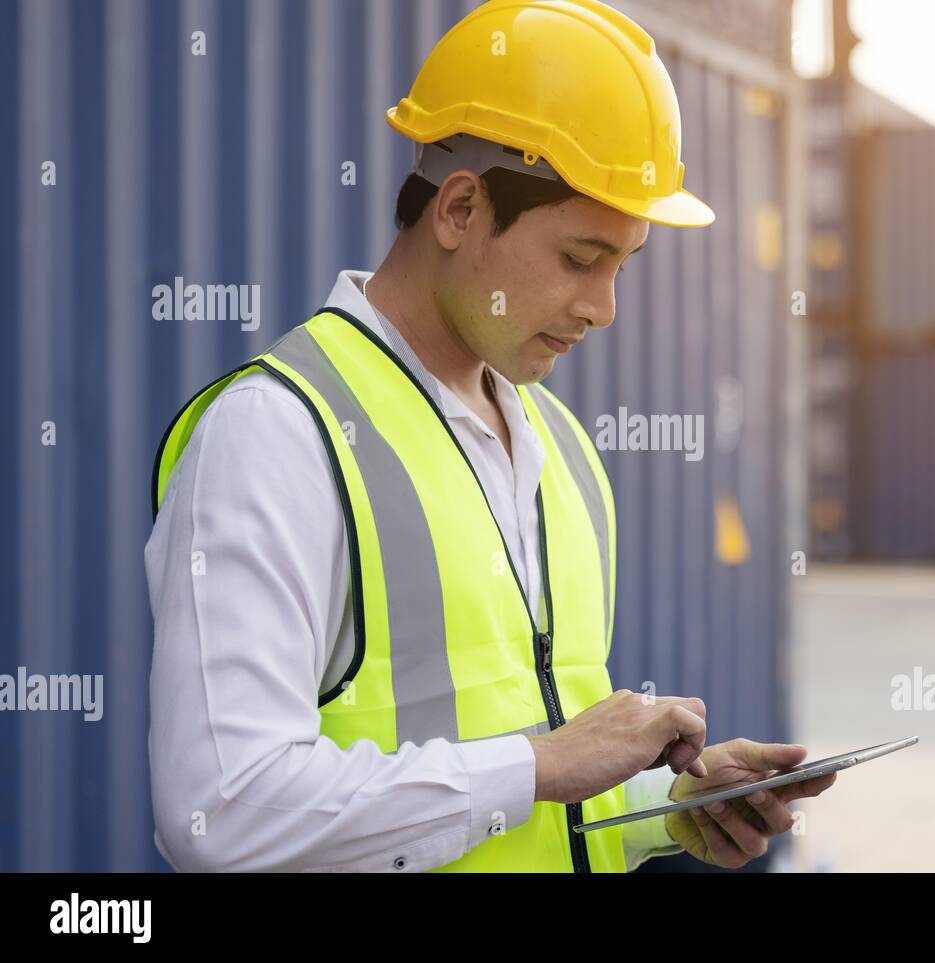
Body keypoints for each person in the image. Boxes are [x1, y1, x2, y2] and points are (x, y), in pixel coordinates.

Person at [145, 0, 834, 873]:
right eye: (582, 259)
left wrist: (666, 804)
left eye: (624, 265)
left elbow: (533, 783)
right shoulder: (279, 436)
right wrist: (540, 766)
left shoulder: (563, 450)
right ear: (462, 209)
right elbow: (221, 808)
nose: (604, 307)